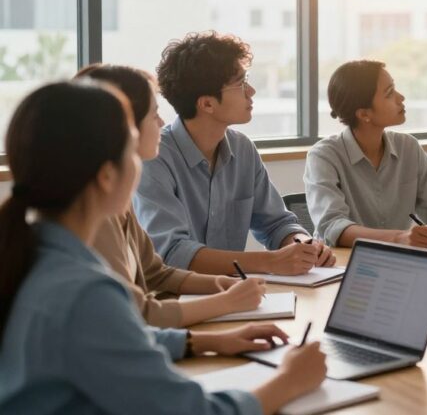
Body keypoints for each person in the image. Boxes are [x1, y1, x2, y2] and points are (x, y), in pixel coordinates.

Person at [0, 81, 326, 415]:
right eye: (131, 148)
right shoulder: (86, 293)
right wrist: (290, 380)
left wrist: (206, 341)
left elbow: (113, 341)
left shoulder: (31, 256)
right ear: (107, 176)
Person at [76, 64, 266, 327]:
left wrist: (221, 284)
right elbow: (135, 316)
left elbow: (156, 273)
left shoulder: (117, 204)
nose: (162, 122)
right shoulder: (93, 218)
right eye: (154, 114)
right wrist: (228, 302)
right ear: (124, 129)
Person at [133, 31, 335, 275]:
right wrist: (270, 262)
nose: (251, 91)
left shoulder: (242, 149)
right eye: (240, 84)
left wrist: (303, 246)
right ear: (207, 104)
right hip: (173, 301)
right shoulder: (153, 157)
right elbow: (173, 253)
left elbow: (277, 224)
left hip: (234, 295)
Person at [304, 60, 427, 248]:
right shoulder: (323, 156)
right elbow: (333, 227)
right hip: (340, 266)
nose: (401, 97)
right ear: (364, 114)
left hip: (397, 264)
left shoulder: (408, 147)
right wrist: (398, 238)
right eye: (389, 93)